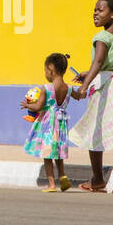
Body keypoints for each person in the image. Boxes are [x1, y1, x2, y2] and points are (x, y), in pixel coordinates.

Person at [69, 0, 113, 193]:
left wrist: (83, 87)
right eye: (95, 10)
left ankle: (97, 178)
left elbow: (98, 63)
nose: (95, 13)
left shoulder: (102, 37)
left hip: (106, 87)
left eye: (100, 10)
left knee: (94, 129)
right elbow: (111, 64)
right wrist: (88, 74)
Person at [21, 52, 74, 192]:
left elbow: (38, 106)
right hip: (61, 124)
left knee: (47, 154)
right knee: (58, 152)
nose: (45, 73)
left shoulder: (47, 88)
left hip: (48, 125)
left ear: (51, 69)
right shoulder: (68, 88)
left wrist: (28, 106)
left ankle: (51, 184)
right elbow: (80, 95)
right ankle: (62, 176)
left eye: (46, 70)